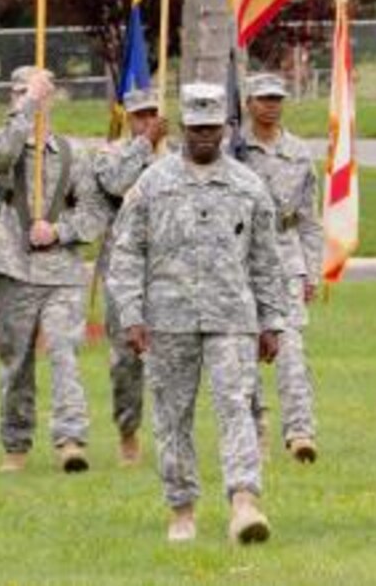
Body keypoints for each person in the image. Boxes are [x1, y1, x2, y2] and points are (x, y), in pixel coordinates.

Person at [107, 82, 286, 544]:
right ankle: (181, 509)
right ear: (182, 126)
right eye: (196, 128)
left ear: (226, 128)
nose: (205, 136)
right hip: (168, 320)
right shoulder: (152, 184)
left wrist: (272, 321)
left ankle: (245, 503)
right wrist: (130, 313)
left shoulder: (249, 185)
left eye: (213, 128)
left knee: (236, 407)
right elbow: (126, 253)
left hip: (231, 318)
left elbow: (267, 260)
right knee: (171, 417)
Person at [0, 66, 103, 474]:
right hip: (12, 268)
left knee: (65, 350)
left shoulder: (72, 154)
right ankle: (15, 444)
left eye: (37, 93)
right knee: (17, 362)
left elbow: (92, 212)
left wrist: (60, 231)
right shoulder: (3, 146)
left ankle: (71, 439)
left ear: (52, 99)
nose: (28, 99)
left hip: (60, 273)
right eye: (19, 93)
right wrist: (26, 105)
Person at [241, 72, 323, 463]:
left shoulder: (299, 152)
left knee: (291, 350)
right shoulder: (233, 149)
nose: (271, 105)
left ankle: (301, 432)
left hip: (286, 260)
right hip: (241, 263)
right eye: (263, 99)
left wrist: (312, 269)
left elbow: (309, 218)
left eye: (277, 99)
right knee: (245, 352)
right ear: (248, 103)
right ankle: (256, 432)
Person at [92, 86, 168, 465]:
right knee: (126, 357)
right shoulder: (111, 154)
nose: (148, 122)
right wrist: (144, 146)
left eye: (154, 115)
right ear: (127, 118)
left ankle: (172, 435)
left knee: (174, 355)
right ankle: (128, 432)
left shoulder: (177, 159)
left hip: (169, 268)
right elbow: (116, 185)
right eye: (140, 116)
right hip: (124, 269)